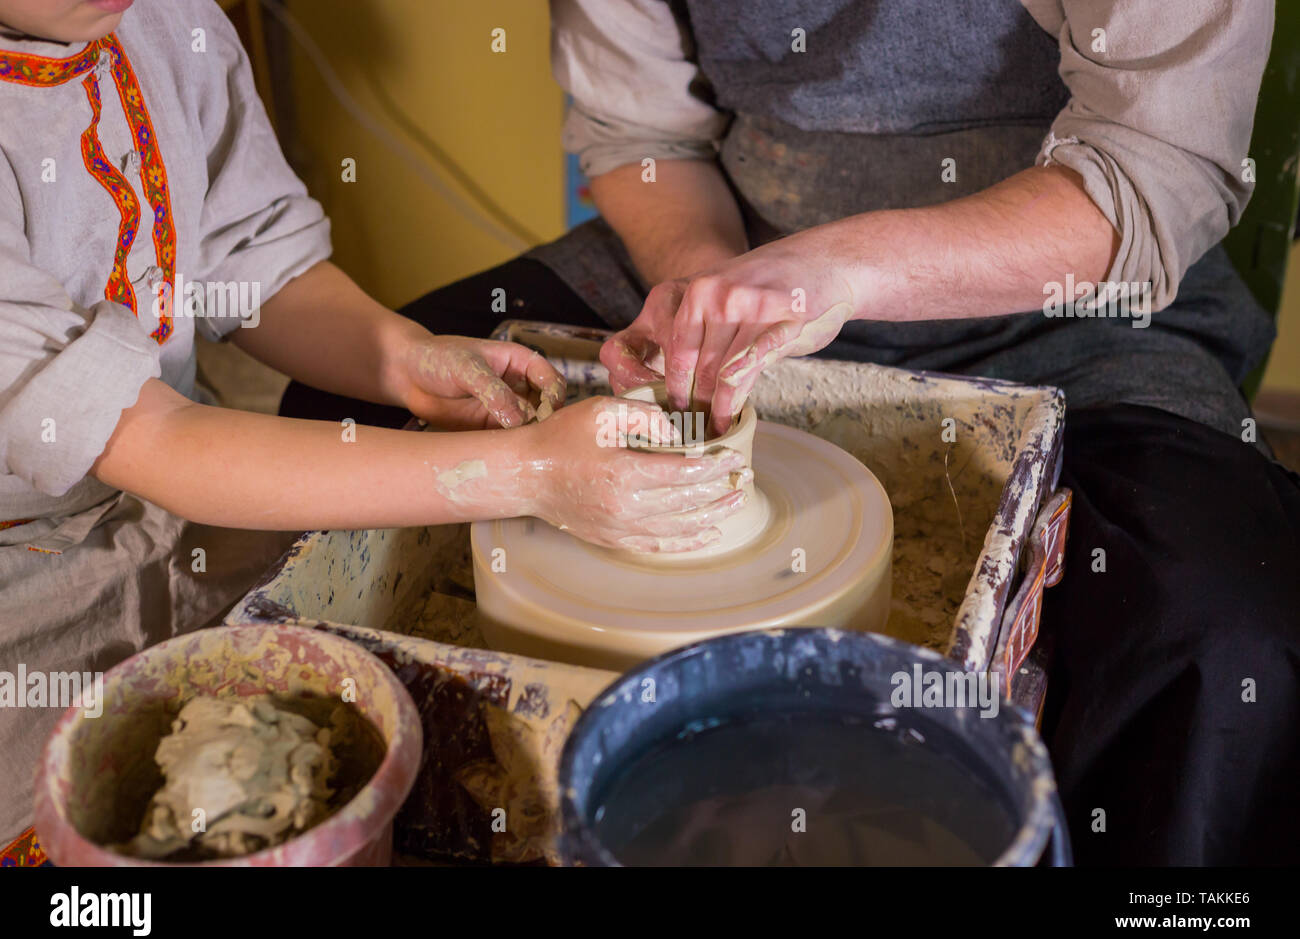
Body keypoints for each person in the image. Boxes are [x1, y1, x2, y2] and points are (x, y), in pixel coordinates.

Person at [285, 0, 1300, 865]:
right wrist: (702, 289)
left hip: (1073, 295)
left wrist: (842, 272)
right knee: (352, 417)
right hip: (737, 242)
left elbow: (1156, 166)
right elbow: (645, 139)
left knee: (1219, 626)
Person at [0, 0, 746, 853]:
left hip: (181, 517)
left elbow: (254, 268)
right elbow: (154, 439)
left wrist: (401, 357)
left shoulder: (169, 20)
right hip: (29, 583)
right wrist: (532, 471)